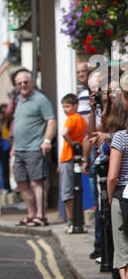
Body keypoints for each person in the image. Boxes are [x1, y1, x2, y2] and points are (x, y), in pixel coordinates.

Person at [10, 68, 56, 226]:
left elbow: (51, 120)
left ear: (31, 83)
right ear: (16, 85)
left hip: (35, 148)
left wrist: (47, 141)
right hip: (20, 150)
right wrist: (14, 146)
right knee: (21, 183)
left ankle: (41, 215)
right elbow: (19, 125)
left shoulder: (40, 99)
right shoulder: (18, 100)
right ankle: (30, 214)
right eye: (20, 83)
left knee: (37, 183)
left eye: (26, 82)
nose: (23, 85)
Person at [106, 95, 128, 279]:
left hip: (124, 196)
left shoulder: (121, 138)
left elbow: (113, 176)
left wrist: (110, 198)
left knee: (123, 254)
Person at [58, 94, 87, 232]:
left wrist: (71, 143)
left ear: (76, 106)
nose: (65, 109)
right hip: (78, 158)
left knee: (67, 191)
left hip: (68, 158)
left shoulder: (71, 119)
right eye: (63, 106)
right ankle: (79, 220)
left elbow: (64, 133)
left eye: (68, 106)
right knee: (77, 190)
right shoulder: (82, 120)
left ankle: (71, 222)